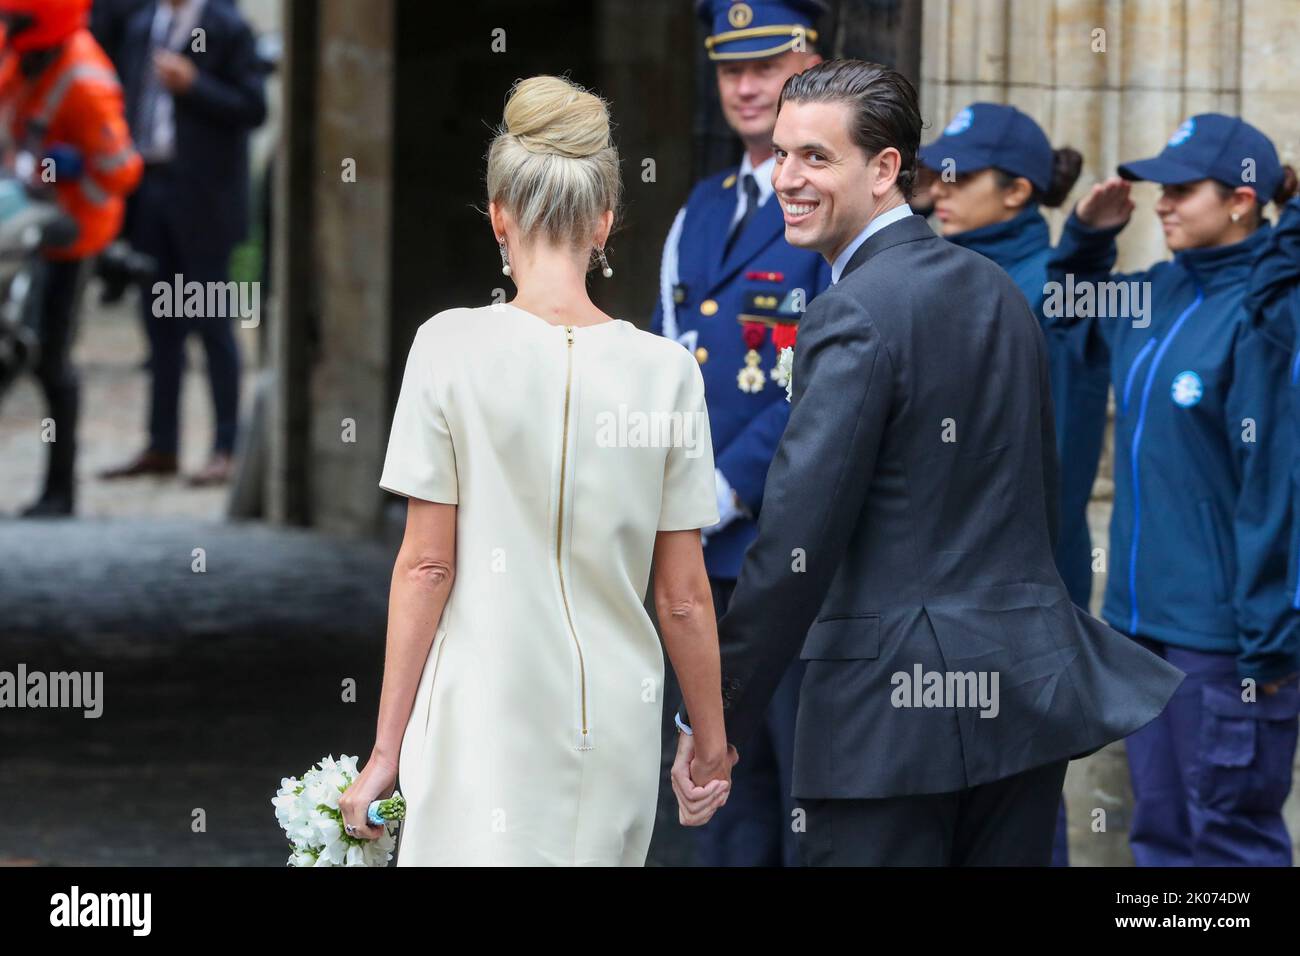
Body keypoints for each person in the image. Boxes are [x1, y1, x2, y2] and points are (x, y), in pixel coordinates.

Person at [672, 59, 1183, 865]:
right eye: (781, 153)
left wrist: (711, 715)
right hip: (1020, 703)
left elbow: (794, 549)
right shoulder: (997, 291)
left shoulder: (851, 313)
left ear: (884, 170)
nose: (787, 179)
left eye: (815, 157)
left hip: (888, 733)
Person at [339, 76, 736, 865]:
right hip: (616, 720)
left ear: (498, 215)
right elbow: (683, 596)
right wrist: (712, 742)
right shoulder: (666, 372)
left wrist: (385, 749)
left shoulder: (447, 347)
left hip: (481, 719)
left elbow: (426, 564)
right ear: (605, 220)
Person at [1046, 113, 1300, 865]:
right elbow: (1063, 314)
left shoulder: (1271, 314)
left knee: (1228, 841)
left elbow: (1280, 490)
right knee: (1158, 836)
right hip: (1138, 629)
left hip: (1223, 643)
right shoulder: (1154, 292)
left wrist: (1270, 650)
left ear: (1241, 201)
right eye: (1159, 187)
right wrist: (1088, 238)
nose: (1162, 203)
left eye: (1183, 189)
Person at [651, 0, 830, 867]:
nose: (749, 86)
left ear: (812, 63)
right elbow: (662, 363)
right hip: (698, 561)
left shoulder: (833, 205)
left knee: (805, 791)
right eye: (732, 69)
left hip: (790, 553)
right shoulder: (703, 204)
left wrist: (728, 485)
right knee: (712, 790)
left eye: (768, 65)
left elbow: (834, 381)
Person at [917, 102, 1092, 866]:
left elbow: (1052, 465)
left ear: (1018, 192)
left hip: (1015, 603)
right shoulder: (952, 273)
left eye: (959, 175)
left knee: (1013, 827)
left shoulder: (1044, 289)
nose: (936, 189)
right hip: (947, 601)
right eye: (933, 172)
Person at [99, 0, 265, 486]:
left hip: (205, 200)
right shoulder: (140, 24)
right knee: (159, 327)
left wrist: (194, 85)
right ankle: (161, 445)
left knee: (213, 322)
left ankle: (225, 447)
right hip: (149, 189)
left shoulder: (228, 27)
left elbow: (253, 107)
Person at [0, 0, 143, 516]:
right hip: (24, 217)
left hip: (74, 228)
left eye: (13, 22)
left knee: (52, 360)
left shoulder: (86, 84)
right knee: (17, 349)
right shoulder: (22, 52)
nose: (5, 30)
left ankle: (61, 490)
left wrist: (72, 166)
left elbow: (124, 171)